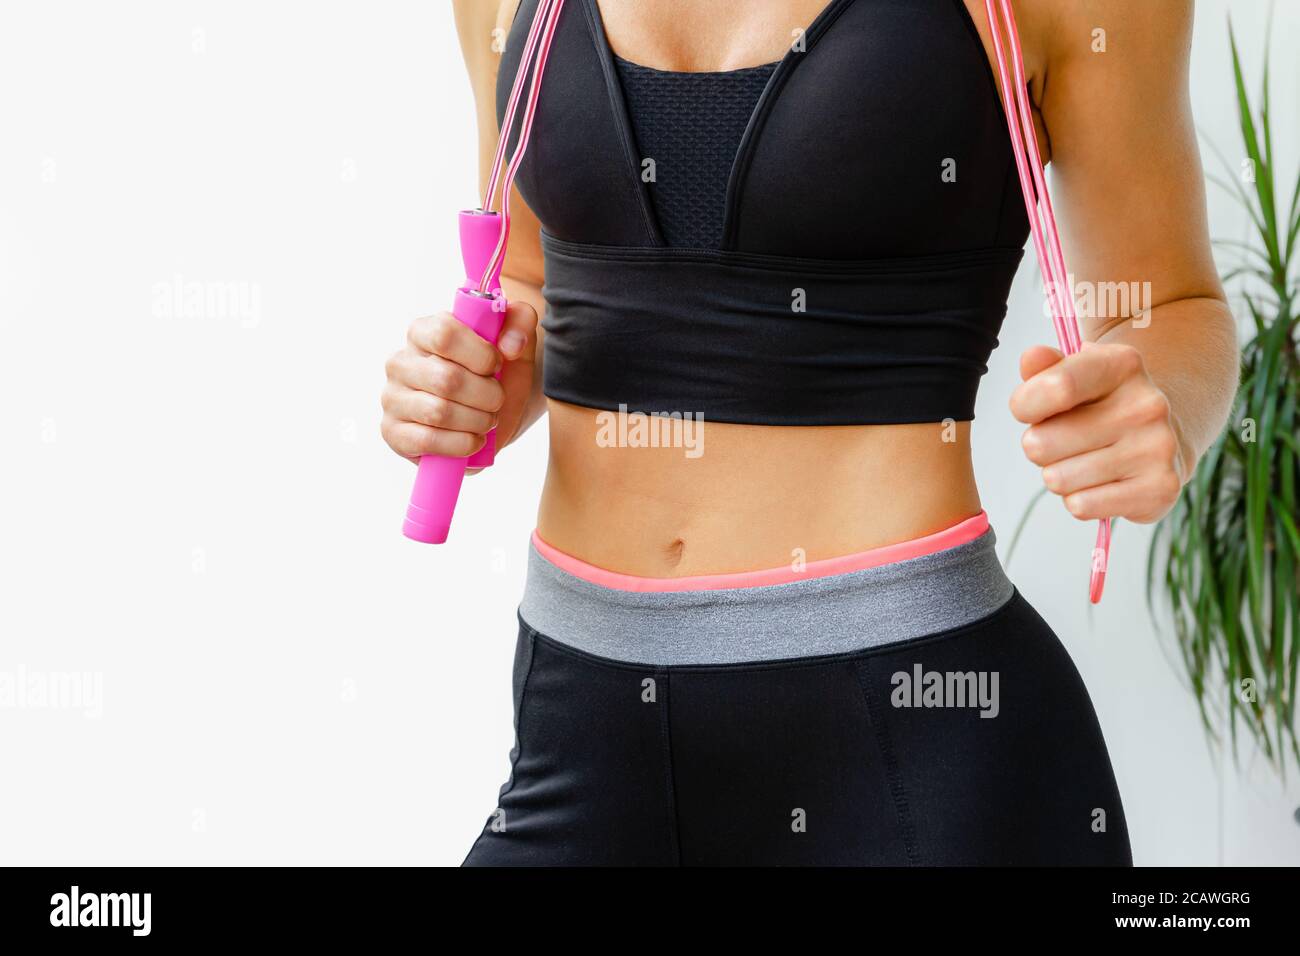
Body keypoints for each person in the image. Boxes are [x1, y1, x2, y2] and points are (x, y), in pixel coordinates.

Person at [382, 0, 1238, 865]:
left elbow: (1173, 307)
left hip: (911, 744)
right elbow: (533, 280)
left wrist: (1158, 399)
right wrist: (477, 385)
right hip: (578, 720)